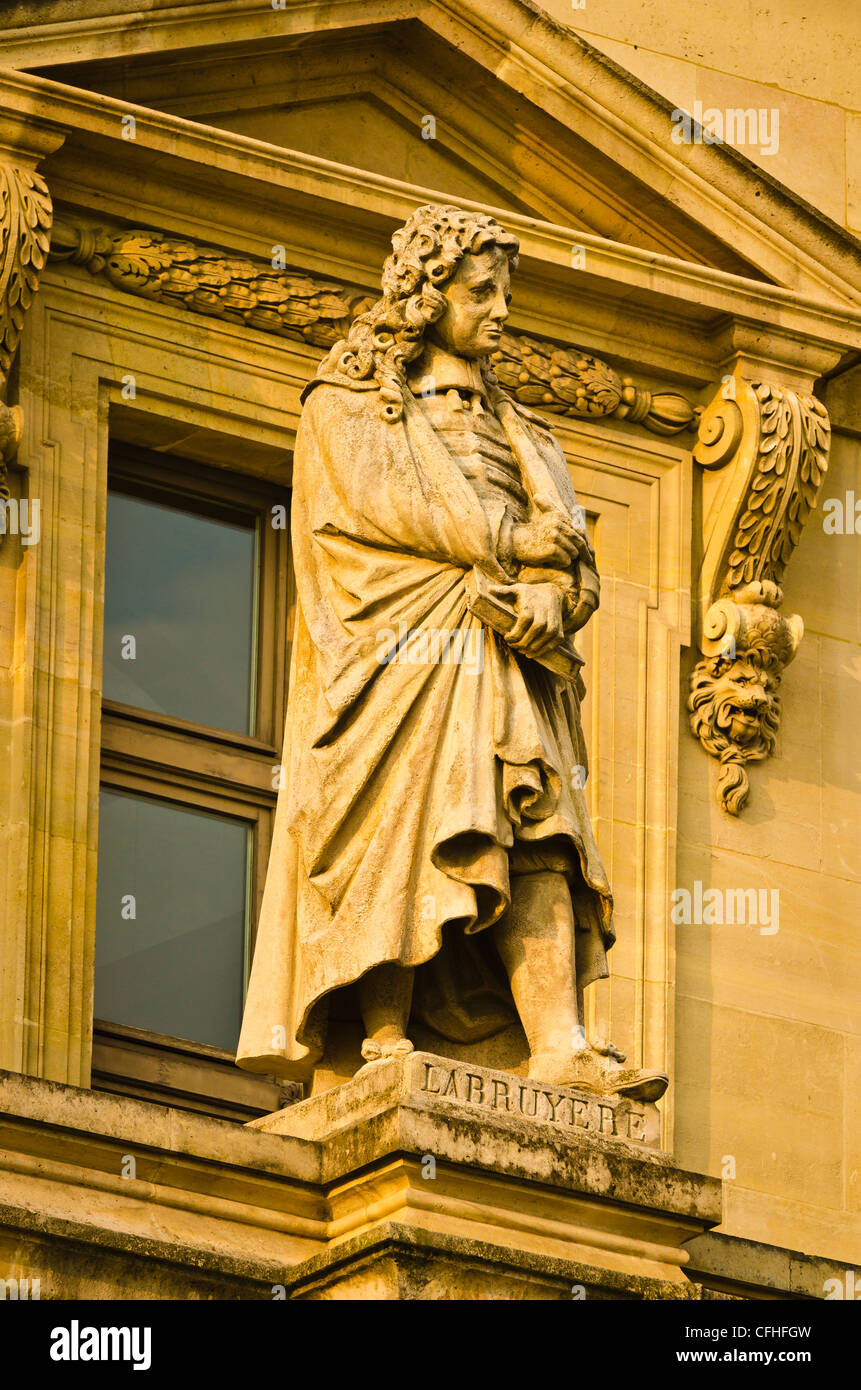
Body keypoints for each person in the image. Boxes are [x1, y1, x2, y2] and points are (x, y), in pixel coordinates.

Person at [237, 204, 667, 1102]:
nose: (499, 311)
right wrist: (523, 549)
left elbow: (574, 558)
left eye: (504, 293)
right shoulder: (350, 405)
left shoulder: (528, 433)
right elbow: (396, 514)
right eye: (481, 292)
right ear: (428, 295)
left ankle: (559, 1043)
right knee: (398, 833)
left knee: (534, 822)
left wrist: (556, 598)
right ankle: (380, 1033)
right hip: (398, 661)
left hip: (507, 660)